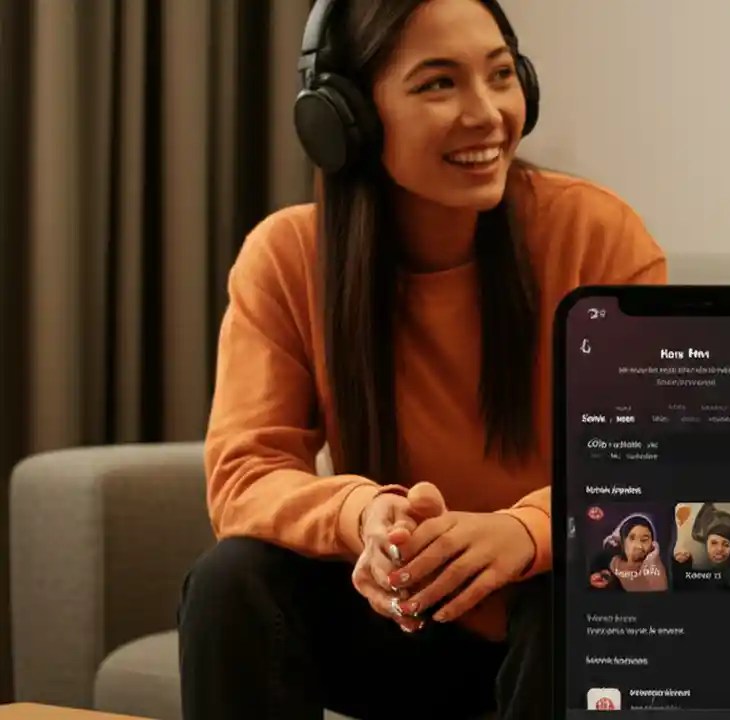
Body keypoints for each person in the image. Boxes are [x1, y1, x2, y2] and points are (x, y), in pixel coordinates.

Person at [176, 0, 665, 718]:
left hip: (559, 634)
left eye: (501, 75)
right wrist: (364, 514)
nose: (488, 113)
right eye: (439, 84)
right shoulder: (288, 258)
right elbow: (245, 472)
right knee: (233, 579)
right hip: (405, 627)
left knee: (572, 598)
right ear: (345, 117)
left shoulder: (595, 234)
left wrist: (521, 534)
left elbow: (654, 468)